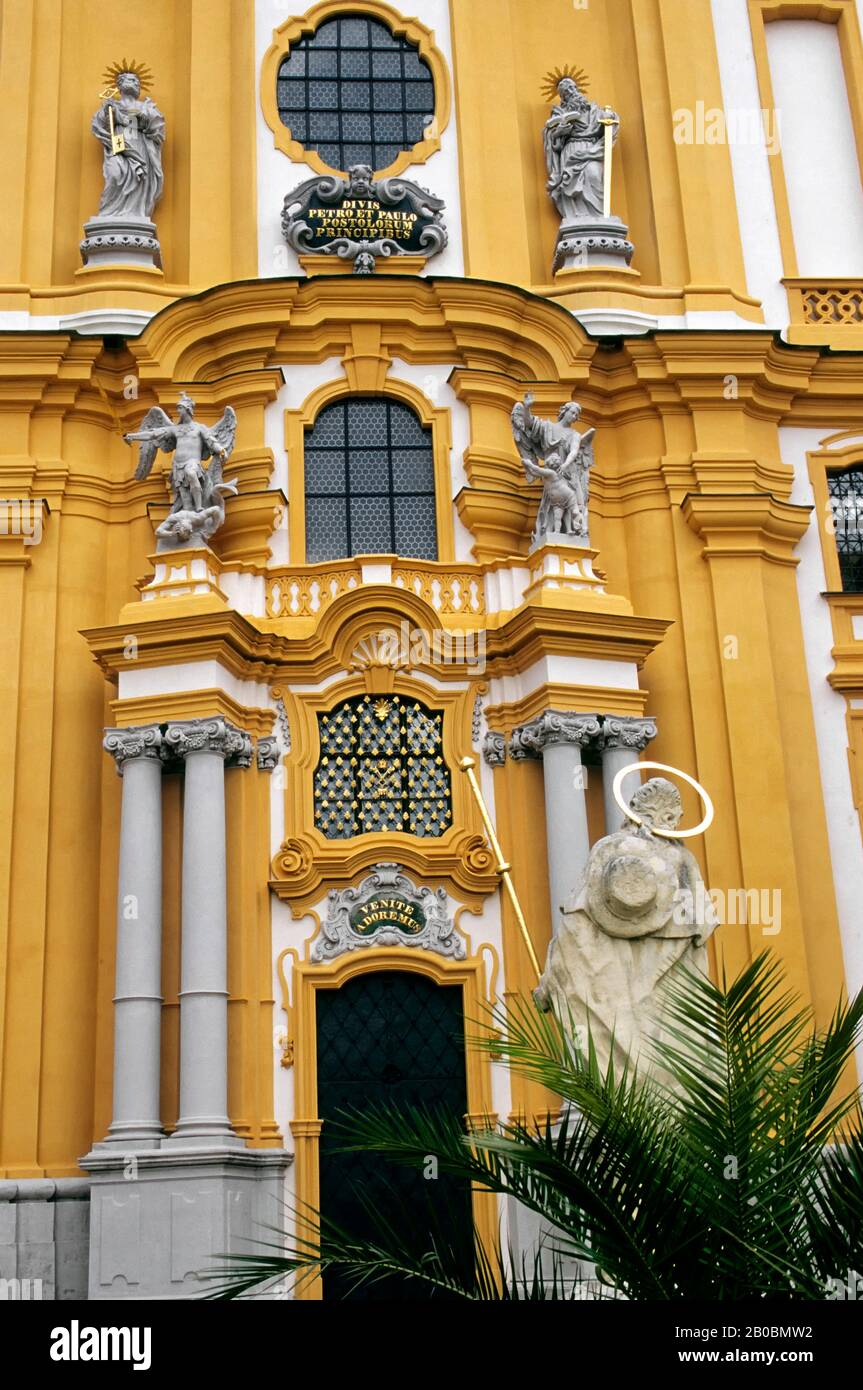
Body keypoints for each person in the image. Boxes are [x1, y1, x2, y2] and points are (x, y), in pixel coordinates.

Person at [92, 71, 165, 221]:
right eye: (129, 80)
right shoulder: (112, 105)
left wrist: (144, 117)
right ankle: (110, 212)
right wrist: (106, 113)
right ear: (119, 85)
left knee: (139, 179)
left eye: (136, 81)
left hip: (139, 147)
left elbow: (157, 128)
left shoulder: (145, 106)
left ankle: (135, 212)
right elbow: (99, 126)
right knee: (115, 174)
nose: (134, 83)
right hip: (118, 143)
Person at [543, 77, 617, 221]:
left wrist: (610, 117)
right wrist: (560, 132)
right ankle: (576, 216)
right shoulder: (559, 112)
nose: (571, 92)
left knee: (594, 174)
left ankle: (599, 215)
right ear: (563, 97)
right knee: (570, 183)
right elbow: (553, 140)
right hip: (570, 150)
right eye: (566, 92)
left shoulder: (594, 111)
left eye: (572, 88)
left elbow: (609, 122)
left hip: (590, 149)